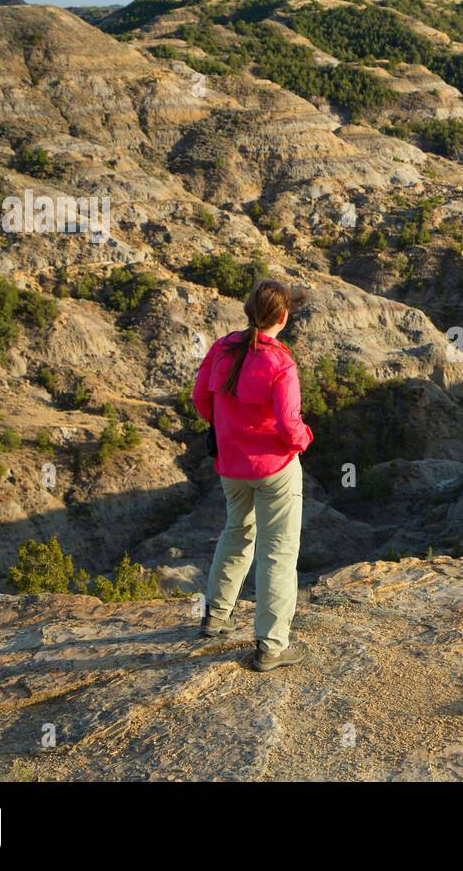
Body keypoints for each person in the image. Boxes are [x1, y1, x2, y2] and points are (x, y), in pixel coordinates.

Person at [192, 279, 313, 671]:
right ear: (283, 316)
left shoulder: (223, 347)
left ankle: (216, 616)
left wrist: (227, 427)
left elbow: (201, 398)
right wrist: (304, 439)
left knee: (236, 531)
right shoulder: (281, 363)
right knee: (278, 551)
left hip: (231, 463)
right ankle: (272, 647)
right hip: (274, 468)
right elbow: (289, 422)